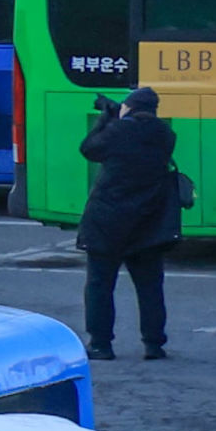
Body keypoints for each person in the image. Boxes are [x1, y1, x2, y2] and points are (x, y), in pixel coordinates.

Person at [75, 88, 184, 362]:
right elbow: (139, 136)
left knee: (100, 284)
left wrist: (107, 118)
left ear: (130, 108)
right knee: (149, 286)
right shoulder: (165, 135)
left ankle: (101, 344)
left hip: (107, 222)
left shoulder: (117, 132)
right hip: (148, 222)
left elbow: (89, 148)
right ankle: (153, 344)